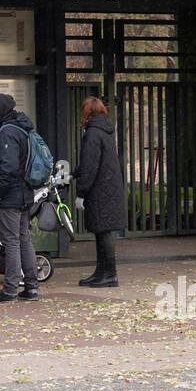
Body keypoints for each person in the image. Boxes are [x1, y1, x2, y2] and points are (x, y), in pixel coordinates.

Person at [0, 92, 39, 302]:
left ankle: (10, 289)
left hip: (10, 197)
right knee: (24, 239)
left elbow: (8, 169)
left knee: (11, 241)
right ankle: (32, 287)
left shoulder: (7, 132)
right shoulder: (21, 128)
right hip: (24, 194)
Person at [74, 96, 128, 288]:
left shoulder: (92, 134)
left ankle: (110, 275)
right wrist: (74, 173)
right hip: (108, 188)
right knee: (101, 231)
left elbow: (89, 166)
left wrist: (81, 193)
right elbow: (92, 163)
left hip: (100, 191)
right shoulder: (104, 132)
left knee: (103, 232)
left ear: (87, 113)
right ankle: (101, 273)